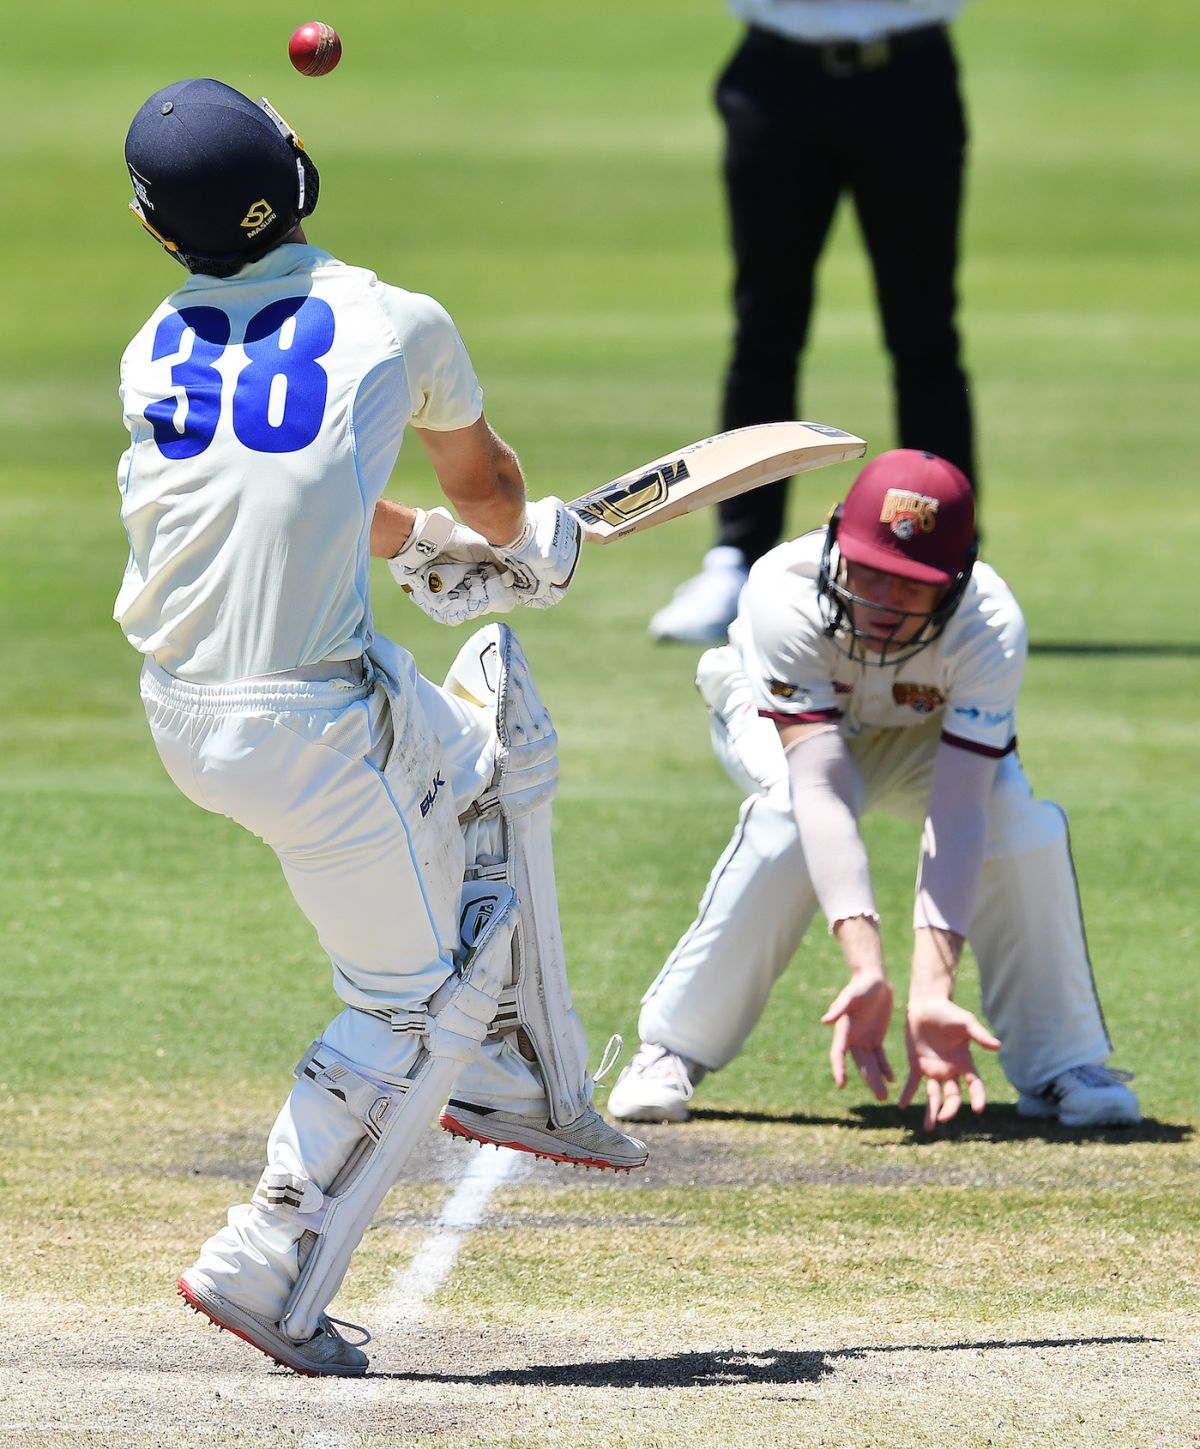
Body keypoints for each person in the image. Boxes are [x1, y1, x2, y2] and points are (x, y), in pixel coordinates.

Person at [115, 78, 647, 1378]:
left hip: (186, 709)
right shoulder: (394, 319)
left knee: (493, 751)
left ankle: (522, 1086)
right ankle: (266, 1259)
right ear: (301, 171)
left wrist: (433, 552)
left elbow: (296, 493)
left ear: (159, 233)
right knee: (412, 1006)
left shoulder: (152, 343)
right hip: (306, 723)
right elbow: (499, 489)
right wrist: (523, 548)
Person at [610, 450, 1140, 1131]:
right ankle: (672, 1048)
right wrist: (866, 967)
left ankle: (1062, 1063)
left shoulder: (990, 625)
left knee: (1017, 819)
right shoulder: (783, 592)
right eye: (871, 571)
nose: (883, 603)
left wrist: (930, 991)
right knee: (790, 816)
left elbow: (958, 806)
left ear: (956, 579)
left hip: (924, 733)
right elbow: (822, 786)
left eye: (911, 584)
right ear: (835, 540)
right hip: (780, 719)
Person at [649, 1, 978, 644]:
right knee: (764, 329)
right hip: (777, 72)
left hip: (909, 69)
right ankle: (737, 559)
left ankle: (947, 565)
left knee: (925, 335)